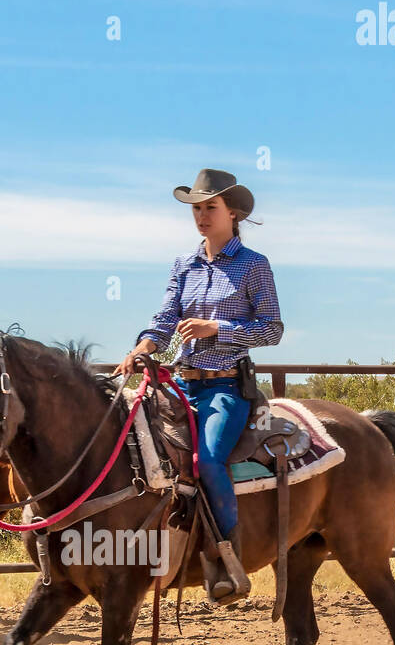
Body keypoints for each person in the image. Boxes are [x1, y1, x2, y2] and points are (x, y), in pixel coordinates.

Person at [119, 168, 284, 603]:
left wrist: (218, 328)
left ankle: (226, 556)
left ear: (233, 213)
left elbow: (271, 331)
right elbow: (163, 321)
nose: (201, 215)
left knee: (208, 460)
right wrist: (141, 348)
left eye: (210, 207)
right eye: (196, 208)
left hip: (225, 387)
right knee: (130, 447)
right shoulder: (184, 265)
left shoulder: (254, 266)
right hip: (179, 386)